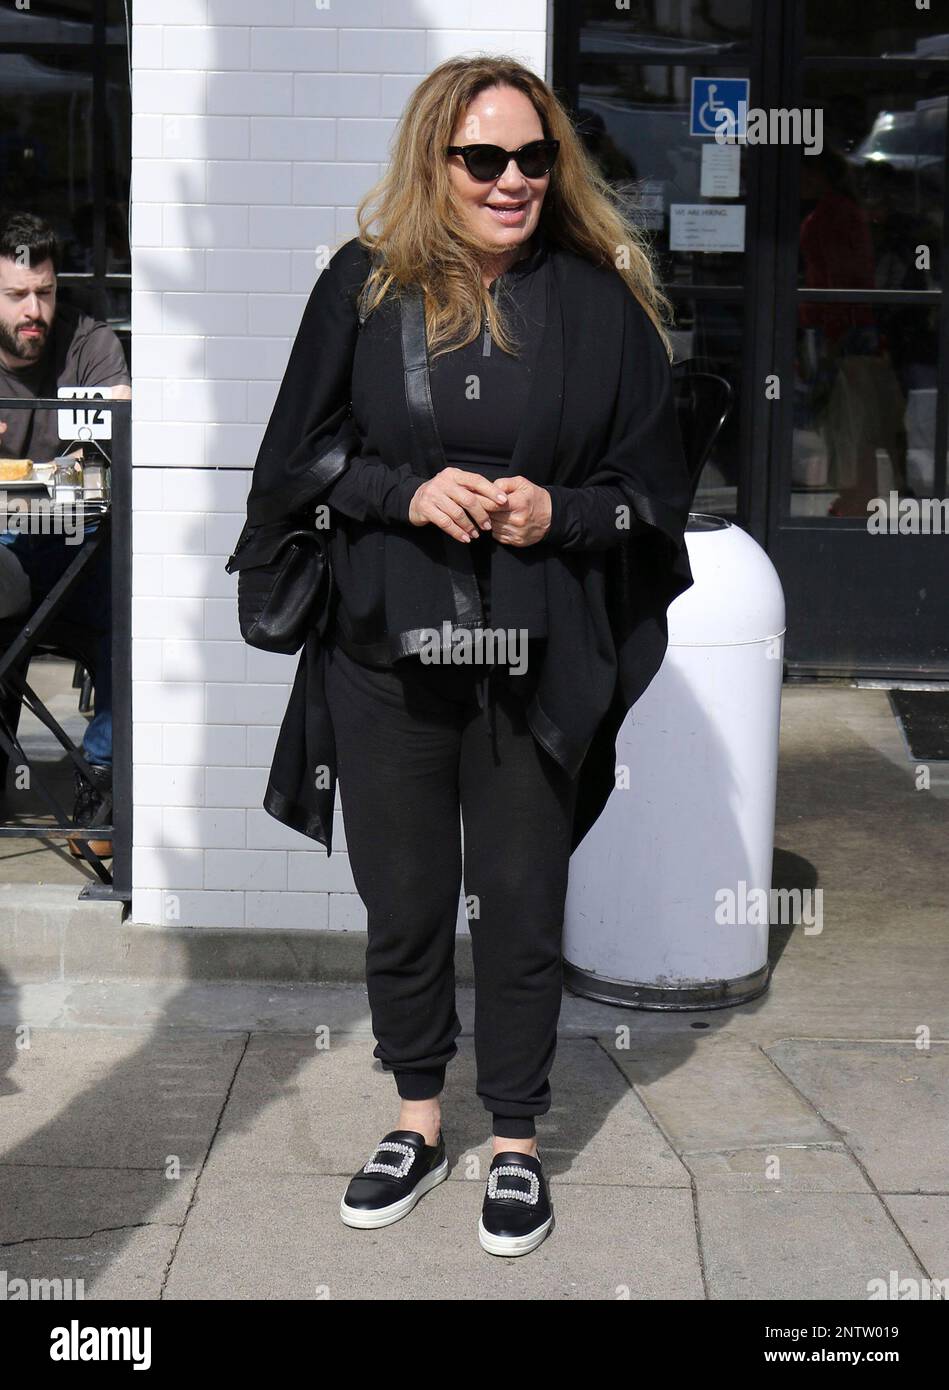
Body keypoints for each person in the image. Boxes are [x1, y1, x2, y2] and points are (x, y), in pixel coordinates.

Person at [236, 56, 694, 1257]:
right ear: (434, 160)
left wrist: (565, 516)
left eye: (533, 158)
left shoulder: (599, 306)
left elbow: (653, 490)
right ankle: (415, 1118)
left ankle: (516, 1141)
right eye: (483, 158)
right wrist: (404, 489)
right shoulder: (364, 288)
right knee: (405, 901)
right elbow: (294, 459)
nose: (511, 180)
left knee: (522, 907)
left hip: (533, 660)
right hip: (388, 651)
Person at [0, 211, 130, 856]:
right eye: (17, 295)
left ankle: (98, 779)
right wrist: (60, 472)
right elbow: (78, 466)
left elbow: (111, 460)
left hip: (73, 544)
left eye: (45, 293)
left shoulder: (89, 342)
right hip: (4, 552)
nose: (34, 310)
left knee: (127, 602)